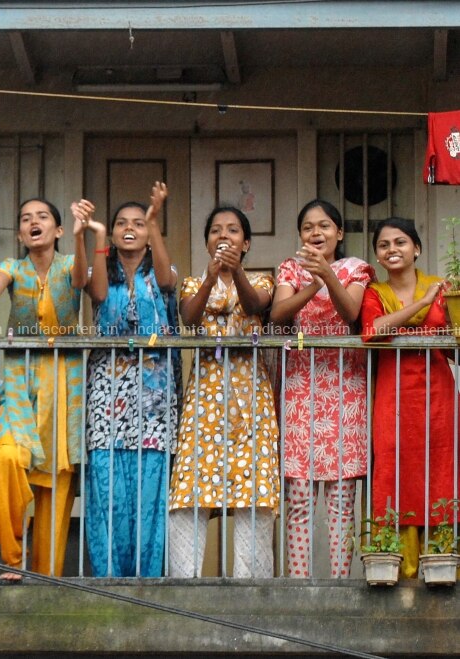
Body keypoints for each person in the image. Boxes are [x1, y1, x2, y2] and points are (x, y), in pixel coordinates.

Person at [0, 197, 95, 579]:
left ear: (57, 230)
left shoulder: (70, 262)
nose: (34, 222)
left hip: (65, 385)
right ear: (20, 234)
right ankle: (12, 557)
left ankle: (47, 580)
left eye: (42, 216)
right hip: (19, 379)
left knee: (55, 489)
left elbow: (81, 282)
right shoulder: (12, 267)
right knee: (8, 457)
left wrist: (81, 235)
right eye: (26, 218)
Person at [168, 206, 280, 578]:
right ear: (207, 243)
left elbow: (254, 305)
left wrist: (237, 273)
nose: (224, 236)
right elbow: (189, 317)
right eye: (216, 230)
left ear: (245, 243)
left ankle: (252, 591)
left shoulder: (262, 281)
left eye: (233, 230)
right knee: (190, 492)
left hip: (250, 402)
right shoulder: (191, 283)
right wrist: (211, 278)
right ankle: (185, 585)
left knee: (254, 496)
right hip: (205, 402)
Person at [269, 199, 373, 579]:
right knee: (299, 498)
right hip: (301, 390)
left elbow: (351, 312)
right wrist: (313, 284)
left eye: (325, 225)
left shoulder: (356, 268)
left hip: (345, 391)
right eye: (308, 226)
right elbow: (278, 313)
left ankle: (340, 587)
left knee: (342, 501)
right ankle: (299, 588)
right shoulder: (290, 268)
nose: (316, 232)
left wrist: (328, 275)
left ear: (339, 233)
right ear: (300, 234)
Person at [83, 183, 178, 578]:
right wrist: (98, 240)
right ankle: (109, 580)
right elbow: (98, 295)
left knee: (150, 485)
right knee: (107, 482)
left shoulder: (161, 273)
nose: (129, 228)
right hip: (107, 389)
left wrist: (154, 220)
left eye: (138, 223)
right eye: (122, 223)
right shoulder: (99, 272)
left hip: (154, 390)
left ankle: (147, 581)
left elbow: (168, 282)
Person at [360, 217, 457, 579]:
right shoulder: (374, 293)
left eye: (400, 242)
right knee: (393, 472)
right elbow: (372, 331)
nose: (392, 249)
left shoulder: (443, 288)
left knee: (441, 471)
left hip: (438, 396)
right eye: (384, 245)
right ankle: (399, 570)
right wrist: (423, 304)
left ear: (416, 248)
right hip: (393, 396)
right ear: (377, 255)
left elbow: (453, 343)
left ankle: (443, 566)